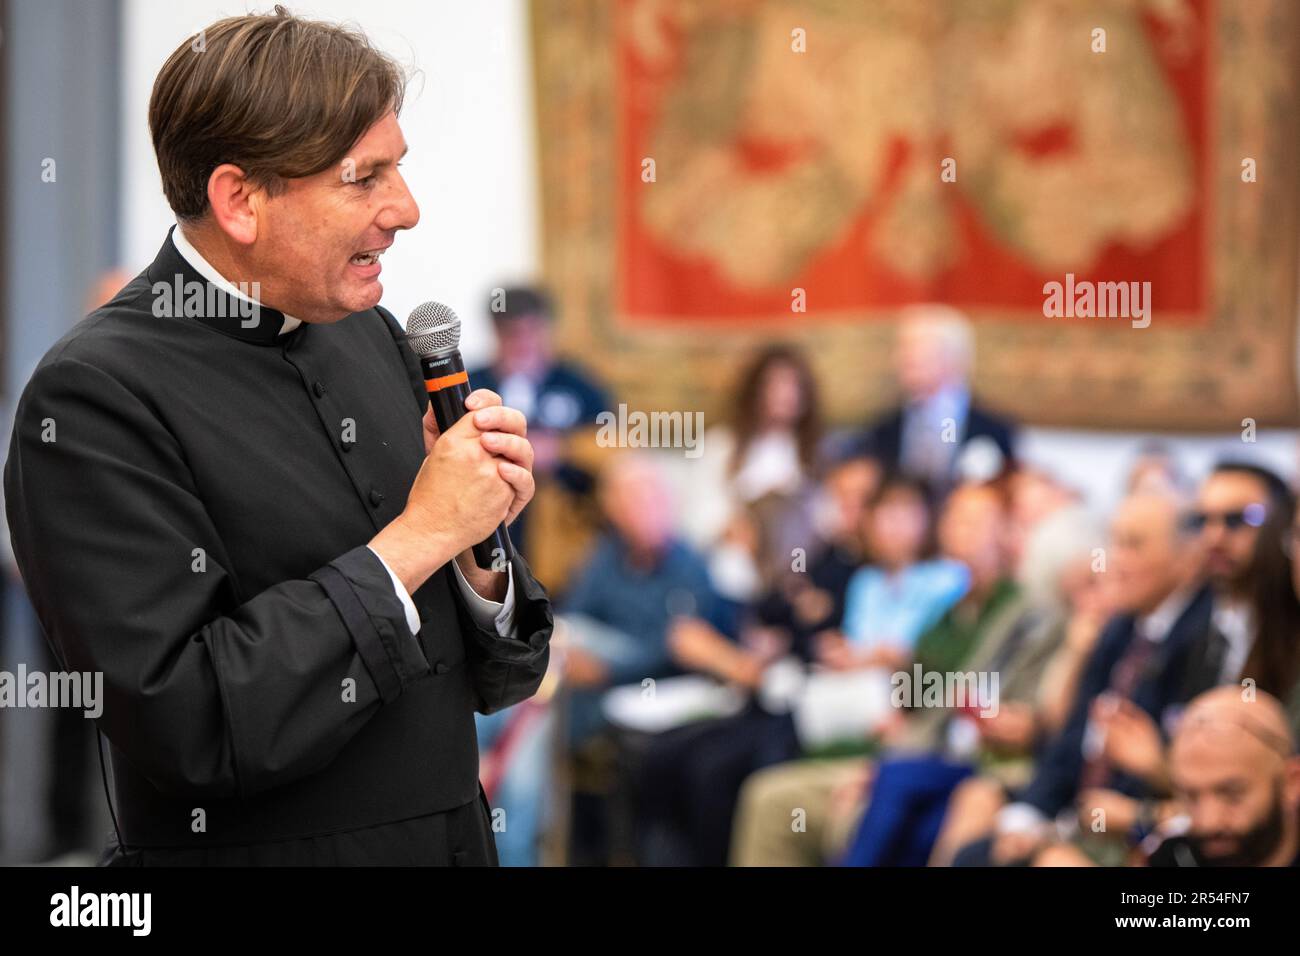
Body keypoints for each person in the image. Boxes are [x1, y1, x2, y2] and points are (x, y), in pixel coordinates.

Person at [3, 9, 553, 865]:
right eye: (363, 179)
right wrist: (419, 537)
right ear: (241, 200)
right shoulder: (93, 397)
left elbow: (492, 680)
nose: (405, 209)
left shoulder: (370, 334)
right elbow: (188, 724)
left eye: (397, 170)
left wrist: (479, 547)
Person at [950, 492, 1211, 867]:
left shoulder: (1201, 636)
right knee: (975, 845)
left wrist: (1150, 781)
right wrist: (1024, 819)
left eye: (1134, 545)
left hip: (1134, 832)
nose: (1115, 560)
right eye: (1114, 542)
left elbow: (1200, 788)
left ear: (1187, 558)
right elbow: (1071, 738)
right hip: (1078, 814)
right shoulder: (1121, 626)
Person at [467, 285, 611, 584]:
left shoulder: (578, 385)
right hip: (485, 532)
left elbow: (613, 446)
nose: (523, 343)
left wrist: (561, 449)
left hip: (569, 537)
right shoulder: (471, 385)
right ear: (496, 333)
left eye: (532, 332)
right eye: (512, 334)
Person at [854, 305, 1016, 492]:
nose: (901, 358)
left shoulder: (994, 429)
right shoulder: (883, 431)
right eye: (901, 348)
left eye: (913, 348)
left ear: (954, 356)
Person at [1142, 686, 1299, 867]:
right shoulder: (1173, 857)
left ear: (1292, 782)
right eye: (1191, 796)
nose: (1209, 822)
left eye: (1231, 794)